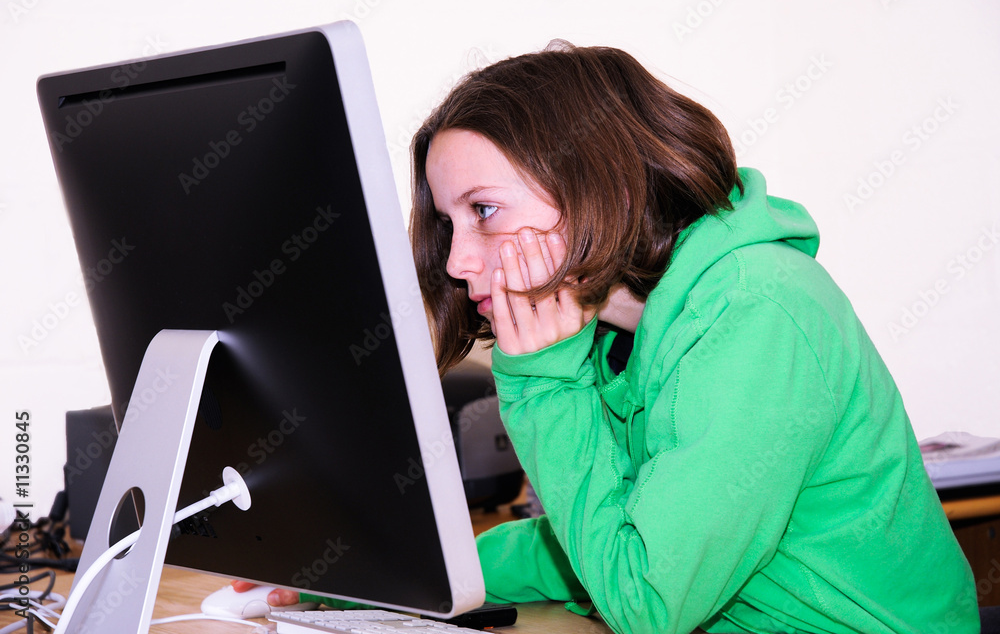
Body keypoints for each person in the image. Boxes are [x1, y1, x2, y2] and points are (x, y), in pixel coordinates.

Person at [241, 43, 980, 633]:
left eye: (485, 211)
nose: (460, 260)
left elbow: (649, 603)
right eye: (450, 224)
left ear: (605, 185)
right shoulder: (610, 335)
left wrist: (542, 383)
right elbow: (579, 547)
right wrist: (375, 566)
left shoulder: (757, 312)